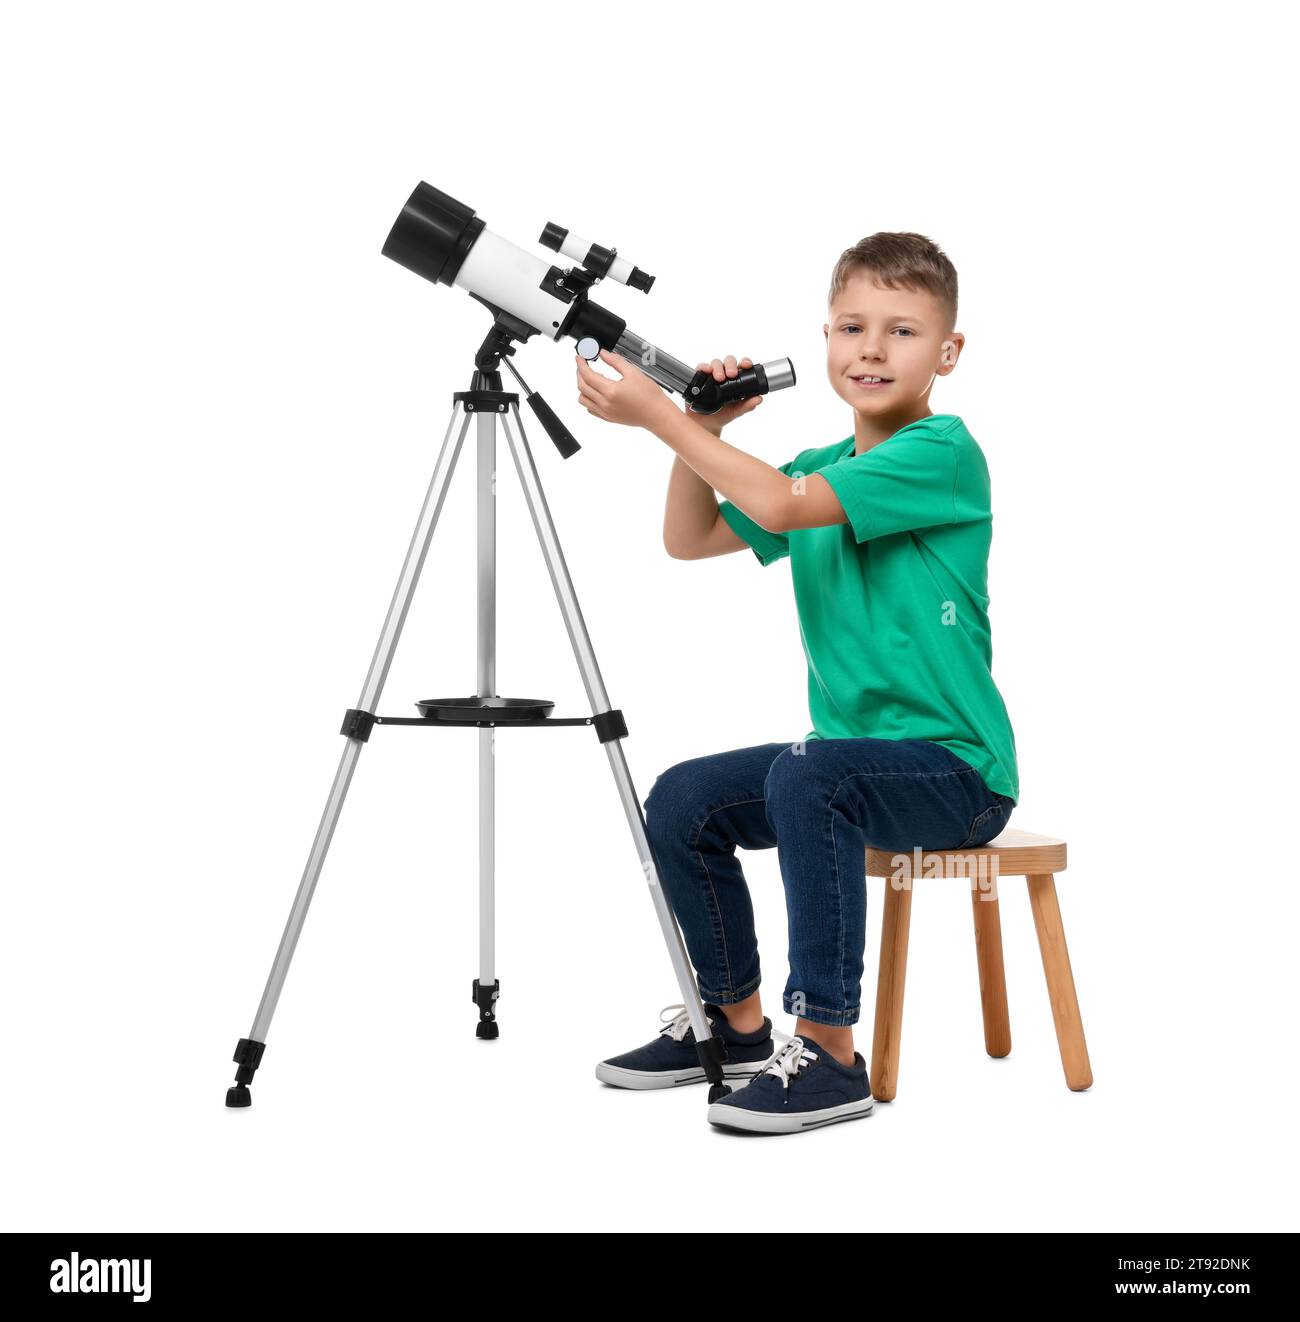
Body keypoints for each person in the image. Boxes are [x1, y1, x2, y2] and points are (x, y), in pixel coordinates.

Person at [576, 232, 1018, 1135]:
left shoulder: (941, 452)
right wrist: (702, 427)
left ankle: (827, 1050)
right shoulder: (823, 464)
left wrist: (659, 416)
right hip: (852, 767)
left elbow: (778, 508)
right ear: (823, 339)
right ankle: (737, 1024)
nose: (870, 348)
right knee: (686, 797)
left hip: (957, 775)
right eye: (851, 327)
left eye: (901, 331)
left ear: (948, 353)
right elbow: (690, 537)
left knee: (809, 773)